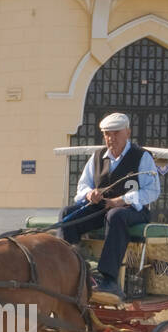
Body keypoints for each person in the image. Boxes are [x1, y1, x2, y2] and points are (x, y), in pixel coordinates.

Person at [59, 112, 161, 301]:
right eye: (106, 133)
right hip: (102, 208)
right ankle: (70, 268)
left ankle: (109, 279)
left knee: (115, 216)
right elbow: (81, 188)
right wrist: (90, 194)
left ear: (127, 133)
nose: (110, 138)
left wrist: (124, 200)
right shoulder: (97, 157)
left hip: (133, 211)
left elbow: (153, 191)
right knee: (67, 214)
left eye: (115, 133)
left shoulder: (142, 157)